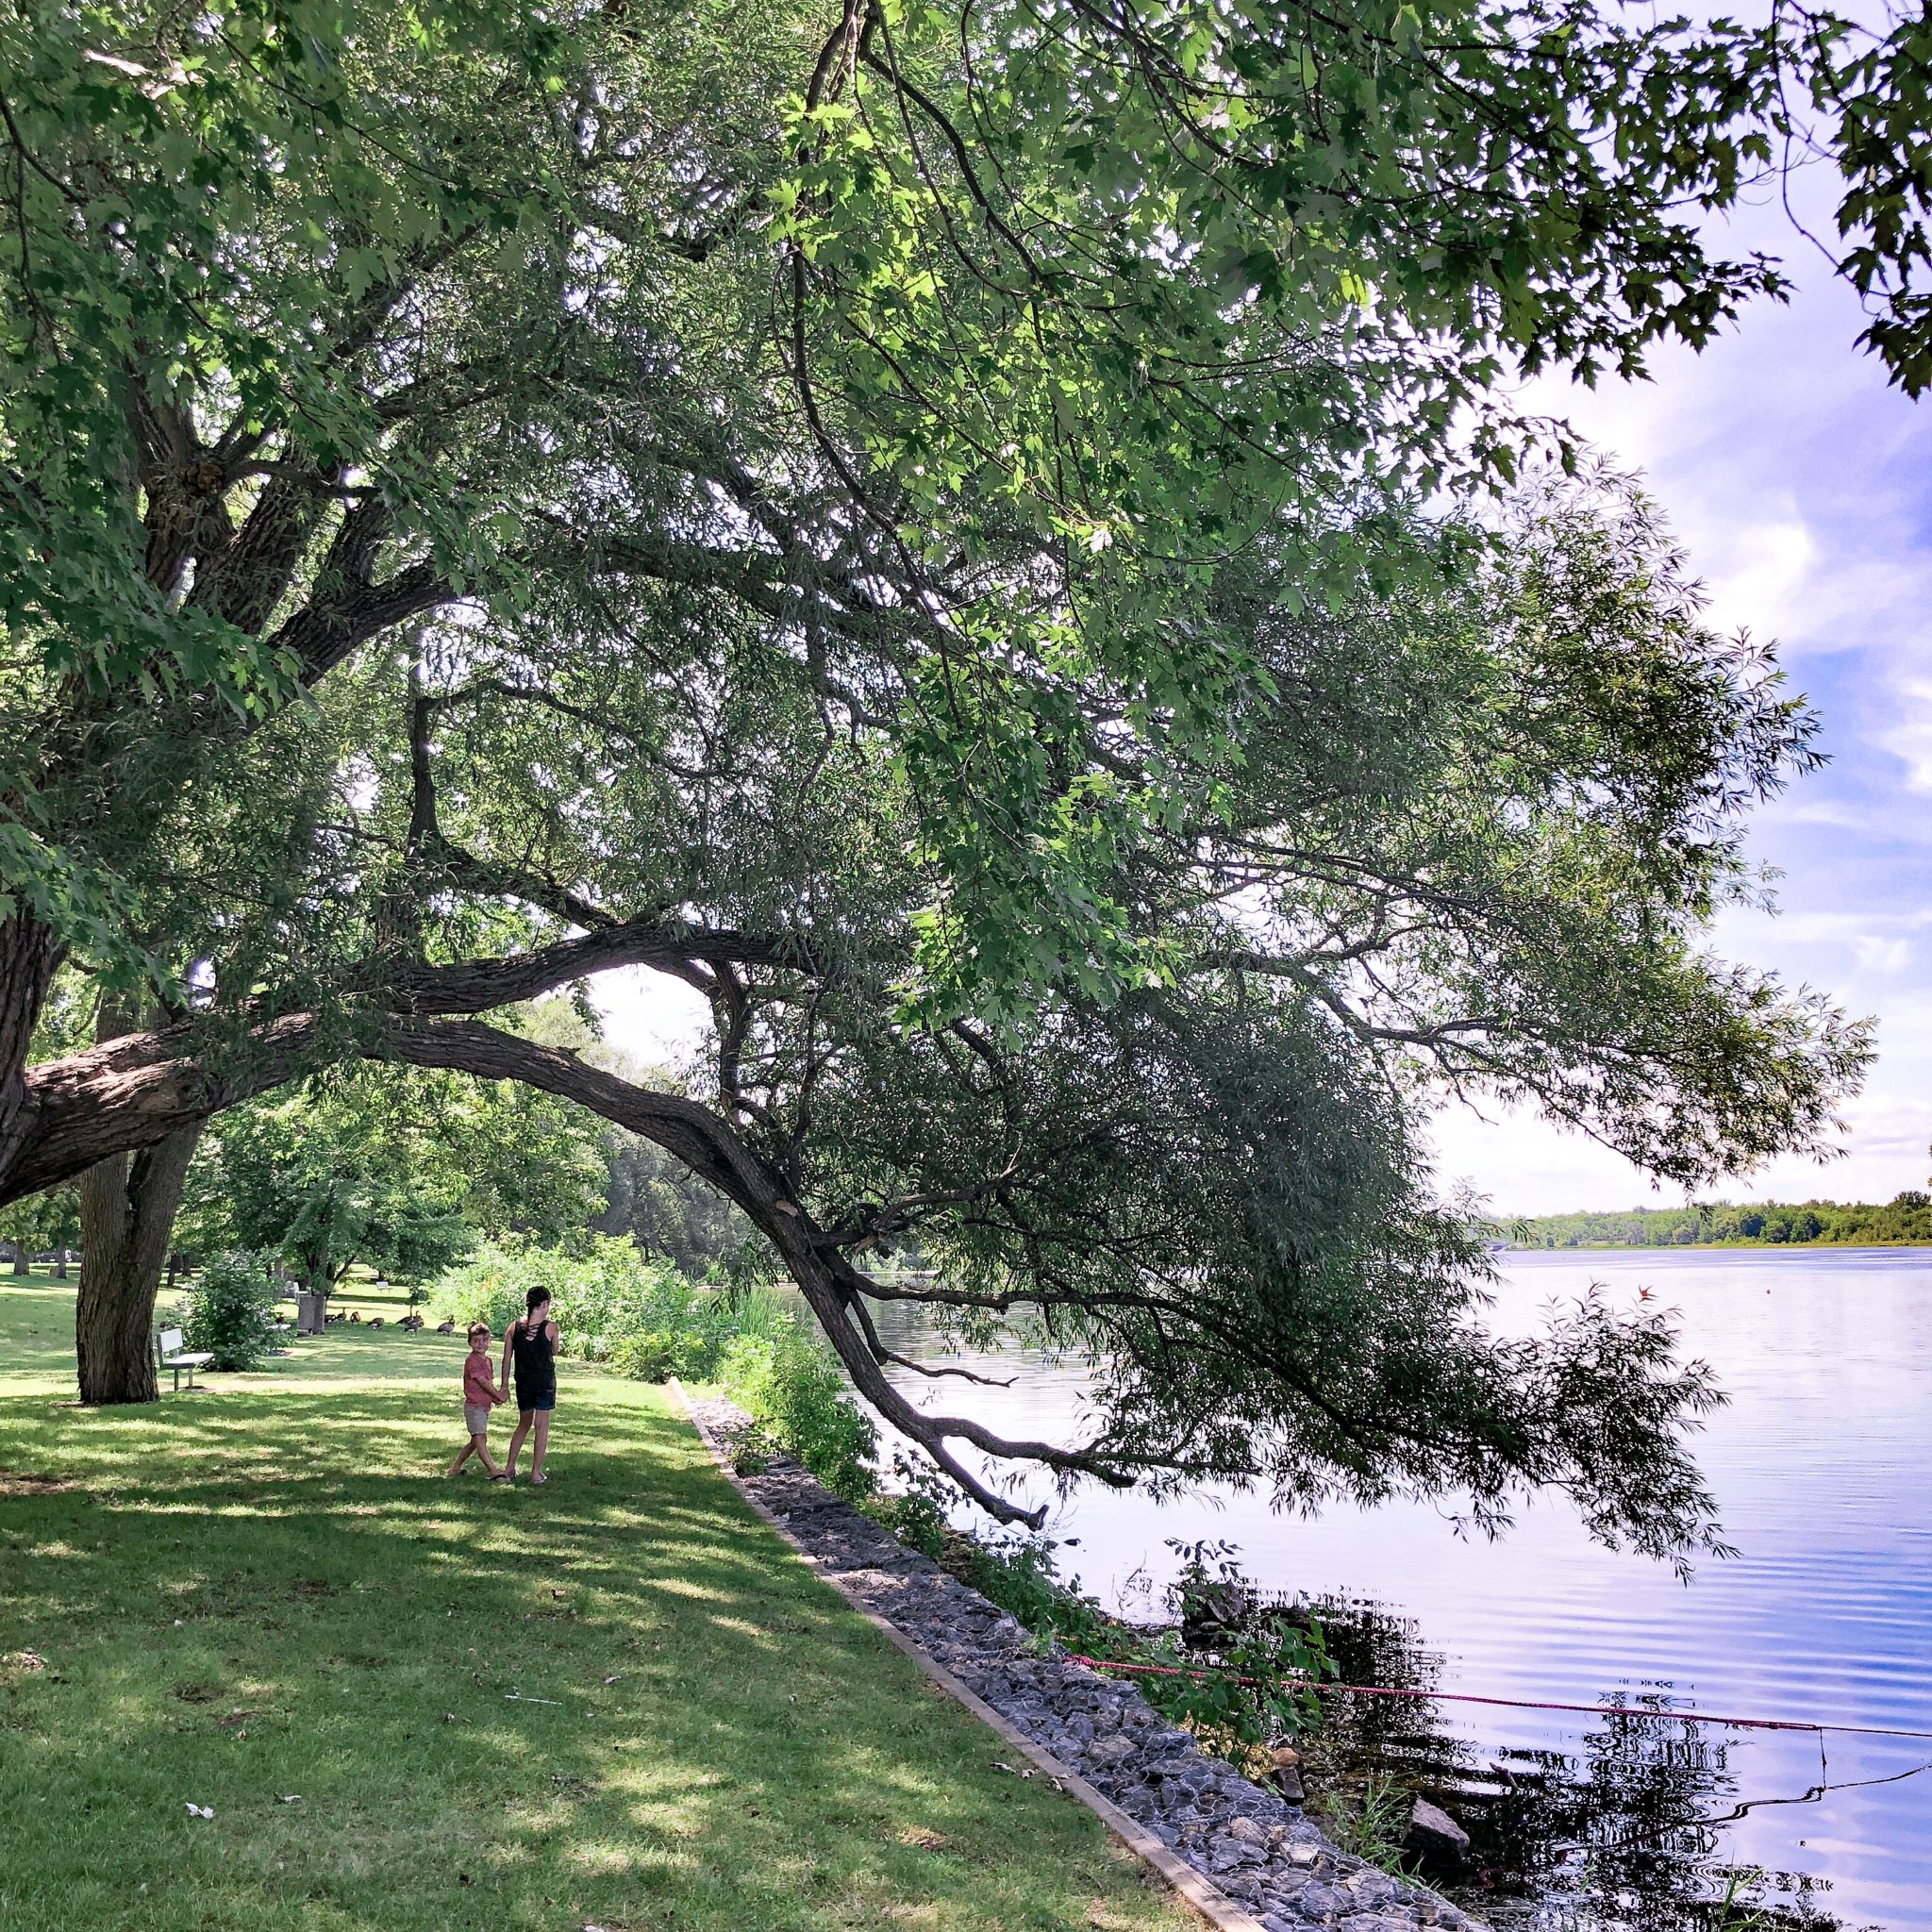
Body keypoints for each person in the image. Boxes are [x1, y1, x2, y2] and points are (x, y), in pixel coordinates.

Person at [501, 1286, 558, 1485]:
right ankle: (535, 1473)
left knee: (523, 1424)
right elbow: (555, 1350)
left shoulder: (513, 1327)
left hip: (523, 1382)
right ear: (544, 1304)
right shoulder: (551, 1327)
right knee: (541, 1427)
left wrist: (503, 1386)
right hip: (544, 1382)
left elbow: (507, 1359)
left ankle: (509, 1468)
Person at [445, 1323, 508, 1478]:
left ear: (489, 1341)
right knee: (479, 1439)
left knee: (477, 1440)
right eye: (476, 1340)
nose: (481, 1344)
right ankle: (493, 1471)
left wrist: (494, 1398)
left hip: (484, 1406)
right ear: (470, 1342)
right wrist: (498, 1394)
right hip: (474, 1407)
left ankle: (455, 1468)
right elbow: (482, 1381)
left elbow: (488, 1383)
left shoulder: (488, 1361)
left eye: (484, 1340)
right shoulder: (472, 1360)